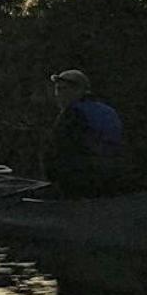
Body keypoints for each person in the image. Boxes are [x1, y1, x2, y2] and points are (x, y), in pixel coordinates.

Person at [44, 69, 133, 198]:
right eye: (58, 89)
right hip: (116, 175)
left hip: (85, 181)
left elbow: (58, 149)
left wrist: (52, 179)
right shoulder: (108, 110)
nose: (59, 95)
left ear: (79, 90)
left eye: (64, 89)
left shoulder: (73, 114)